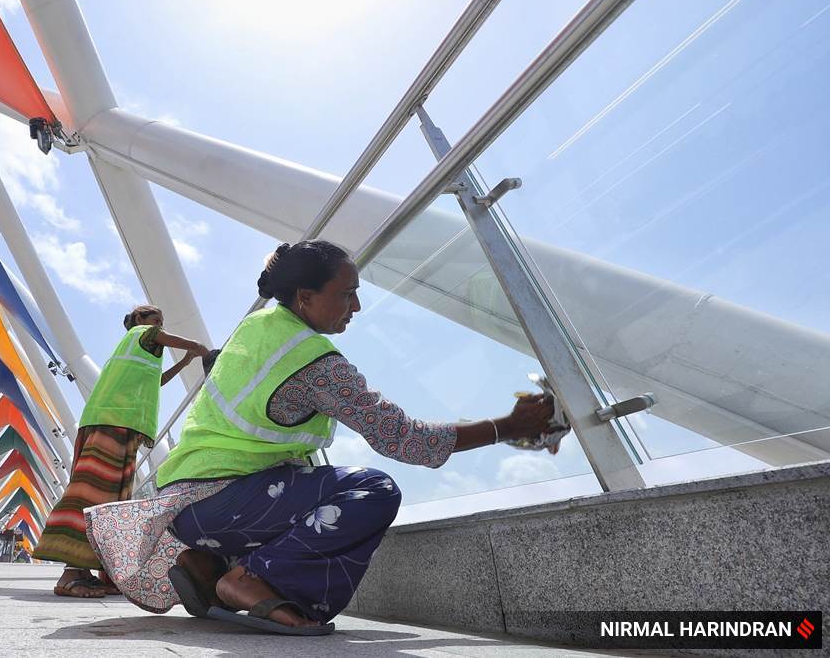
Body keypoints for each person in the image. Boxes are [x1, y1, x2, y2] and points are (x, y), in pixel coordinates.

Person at [86, 240, 561, 635]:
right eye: (347, 294)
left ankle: (208, 566)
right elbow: (405, 440)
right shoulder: (315, 363)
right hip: (224, 503)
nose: (356, 306)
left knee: (301, 482)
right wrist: (508, 426)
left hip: (186, 505)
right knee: (373, 489)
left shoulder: (255, 329)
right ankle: (250, 579)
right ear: (305, 298)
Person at [35, 305, 209, 598]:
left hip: (119, 423)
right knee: (93, 492)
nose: (160, 326)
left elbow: (157, 381)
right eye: (156, 320)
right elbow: (168, 338)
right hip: (112, 422)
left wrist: (185, 361)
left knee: (113, 500)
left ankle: (102, 571)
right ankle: (71, 572)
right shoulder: (143, 333)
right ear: (140, 319)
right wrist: (201, 348)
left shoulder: (137, 352)